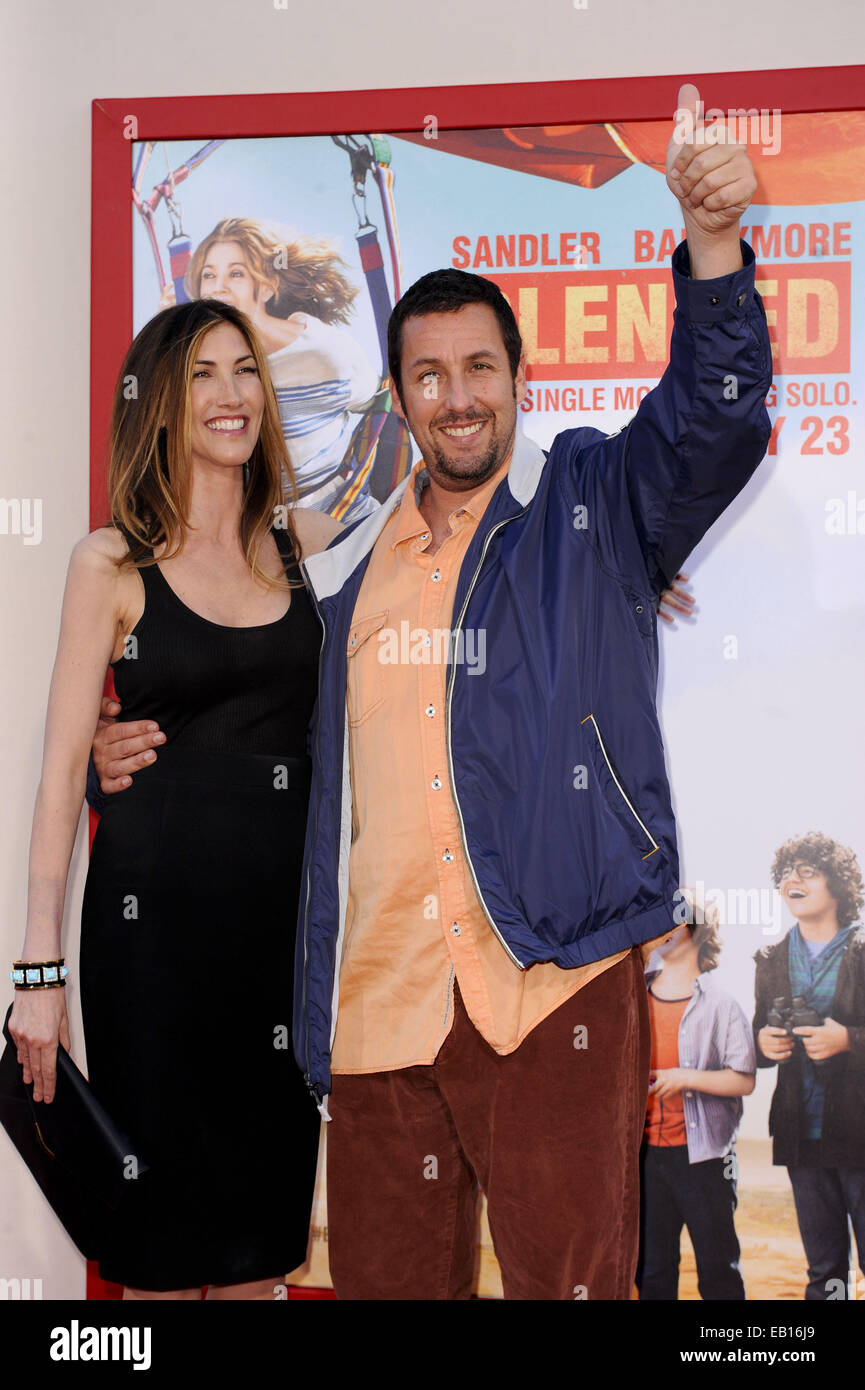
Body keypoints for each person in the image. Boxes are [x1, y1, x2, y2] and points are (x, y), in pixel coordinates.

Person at [92, 82, 772, 1299]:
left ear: (519, 376)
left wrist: (713, 250)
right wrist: (136, 751)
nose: (456, 396)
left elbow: (712, 428)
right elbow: (254, 716)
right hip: (377, 1010)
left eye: (478, 369)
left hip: (551, 983)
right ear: (398, 397)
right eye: (427, 374)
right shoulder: (339, 570)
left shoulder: (592, 510)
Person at [9, 298, 341, 1299]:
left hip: (275, 956)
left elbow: (451, 551)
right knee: (155, 1251)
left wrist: (624, 568)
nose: (232, 394)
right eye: (202, 373)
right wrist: (38, 969)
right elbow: (65, 769)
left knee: (259, 1255)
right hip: (150, 953)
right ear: (158, 400)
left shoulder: (310, 542)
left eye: (245, 370)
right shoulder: (109, 561)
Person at [160, 217, 381, 521]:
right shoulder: (191, 359)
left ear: (266, 287)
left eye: (235, 273)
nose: (218, 287)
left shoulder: (322, 352)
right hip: (253, 525)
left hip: (338, 517)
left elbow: (374, 398)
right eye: (209, 276)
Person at [753, 831, 865, 1301]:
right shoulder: (770, 958)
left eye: (807, 871)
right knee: (824, 1272)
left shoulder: (861, 951)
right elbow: (757, 1041)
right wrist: (763, 1041)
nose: (791, 880)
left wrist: (849, 1040)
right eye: (785, 873)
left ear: (837, 884)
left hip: (861, 1133)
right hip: (803, 1135)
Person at [636, 899, 755, 1300]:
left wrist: (686, 1078)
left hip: (705, 1161)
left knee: (718, 1271)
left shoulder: (723, 1005)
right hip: (644, 1160)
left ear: (695, 932)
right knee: (651, 1273)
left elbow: (744, 1081)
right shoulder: (632, 999)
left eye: (668, 922)